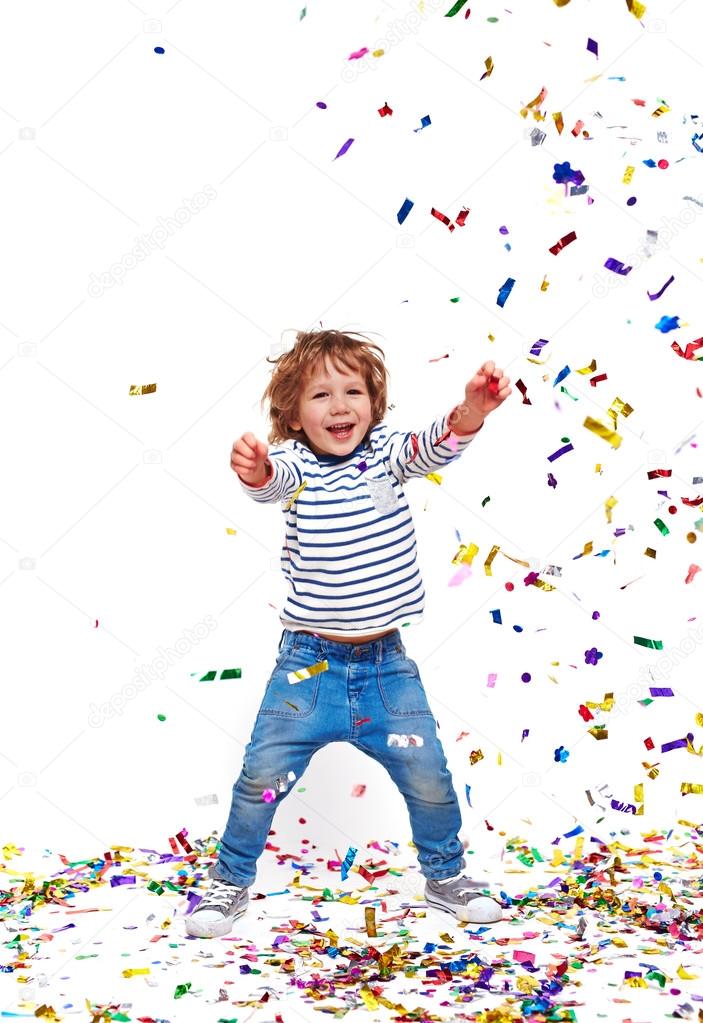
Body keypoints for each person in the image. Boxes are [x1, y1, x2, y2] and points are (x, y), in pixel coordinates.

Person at [185, 329, 512, 938]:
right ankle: (229, 882)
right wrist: (255, 469)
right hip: (307, 672)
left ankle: (446, 878)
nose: (340, 407)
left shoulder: (386, 453)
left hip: (387, 669)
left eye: (353, 391)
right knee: (260, 777)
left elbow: (434, 445)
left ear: (374, 401)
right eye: (321, 395)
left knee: (430, 776)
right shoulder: (296, 464)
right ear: (293, 413)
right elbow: (270, 484)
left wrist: (472, 409)